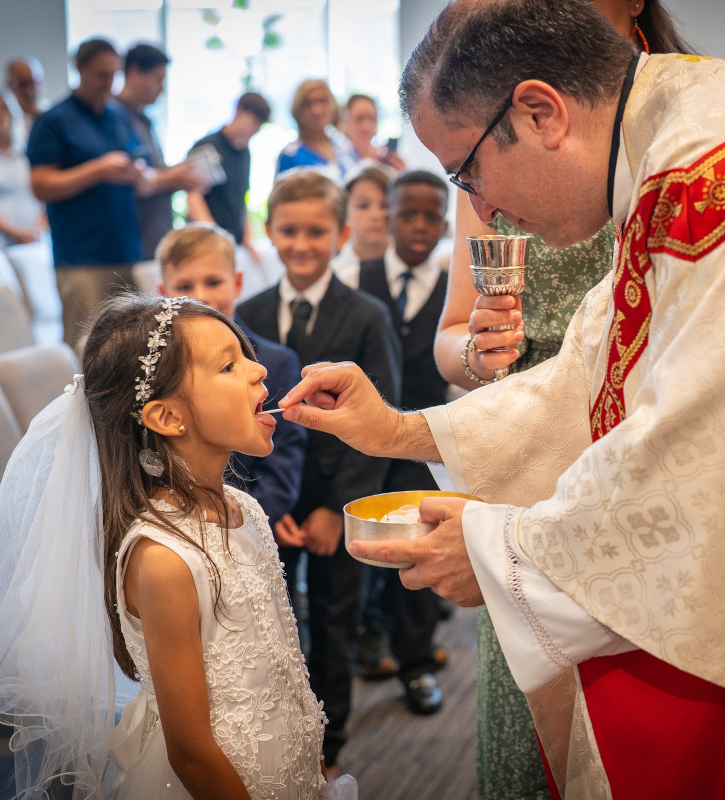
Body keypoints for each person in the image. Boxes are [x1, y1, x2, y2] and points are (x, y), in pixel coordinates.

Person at [272, 1, 725, 797]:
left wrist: (499, 550)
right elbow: (593, 364)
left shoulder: (715, 169)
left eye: (468, 172)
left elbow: (706, 449)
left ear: (540, 111)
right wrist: (402, 428)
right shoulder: (669, 136)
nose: (479, 211)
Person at [434, 2, 693, 797]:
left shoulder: (678, 119)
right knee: (530, 706)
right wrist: (478, 352)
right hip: (524, 445)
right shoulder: (493, 137)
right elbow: (448, 341)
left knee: (645, 704)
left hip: (648, 429)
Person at [0, 292, 359, 799]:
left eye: (246, 356)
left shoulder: (244, 508)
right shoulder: (164, 559)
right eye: (229, 366)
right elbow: (190, 750)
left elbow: (280, 660)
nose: (258, 371)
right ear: (166, 418)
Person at [236, 170, 401, 777]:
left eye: (316, 231)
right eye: (288, 230)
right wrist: (264, 503)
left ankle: (328, 743)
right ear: (268, 232)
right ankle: (276, 730)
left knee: (334, 617)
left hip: (334, 497)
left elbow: (381, 416)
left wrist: (339, 505)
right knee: (272, 617)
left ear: (341, 235)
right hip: (266, 497)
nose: (301, 243)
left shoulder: (365, 314)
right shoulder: (246, 313)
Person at [336, 169, 451, 715]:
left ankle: (418, 664)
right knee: (355, 549)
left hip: (423, 441)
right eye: (408, 214)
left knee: (417, 546)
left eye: (432, 216)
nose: (420, 226)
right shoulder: (355, 277)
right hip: (360, 442)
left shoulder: (456, 281)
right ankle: (365, 642)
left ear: (446, 222)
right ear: (388, 216)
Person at [156, 222, 306, 533]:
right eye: (184, 286)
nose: (199, 297)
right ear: (162, 293)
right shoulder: (155, 369)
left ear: (237, 283)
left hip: (253, 525)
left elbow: (283, 463)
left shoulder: (276, 363)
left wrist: (243, 521)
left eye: (213, 282)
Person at [26, 37, 153, 353]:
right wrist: (96, 170)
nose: (109, 84)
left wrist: (136, 172)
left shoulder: (119, 116)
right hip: (81, 257)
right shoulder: (54, 121)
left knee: (131, 346)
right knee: (86, 349)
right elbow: (41, 184)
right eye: (101, 75)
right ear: (80, 69)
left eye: (114, 75)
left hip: (126, 249)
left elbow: (138, 165)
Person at [116, 43, 210, 261]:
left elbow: (153, 171)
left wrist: (179, 174)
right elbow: (132, 178)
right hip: (131, 245)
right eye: (158, 79)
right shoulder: (116, 118)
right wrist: (173, 177)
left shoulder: (144, 120)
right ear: (134, 73)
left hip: (152, 240)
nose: (162, 88)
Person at [186, 91, 271, 261]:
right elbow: (194, 198)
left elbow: (242, 199)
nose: (254, 130)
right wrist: (215, 236)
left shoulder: (245, 152)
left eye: (259, 126)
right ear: (239, 111)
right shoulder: (207, 146)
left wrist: (248, 239)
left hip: (233, 245)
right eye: (253, 122)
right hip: (206, 245)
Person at [275, 80, 357, 182]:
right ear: (298, 110)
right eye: (308, 104)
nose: (317, 110)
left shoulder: (344, 146)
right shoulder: (290, 155)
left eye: (322, 101)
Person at [0, 89, 45, 249]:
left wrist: (38, 229)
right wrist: (17, 233)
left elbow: (42, 192)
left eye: (3, 108)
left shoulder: (26, 151)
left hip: (35, 239)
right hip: (2, 245)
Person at [330, 163, 391, 277]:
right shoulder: (333, 274)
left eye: (385, 205)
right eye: (363, 205)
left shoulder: (410, 269)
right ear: (345, 210)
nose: (375, 215)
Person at [341, 94, 405, 172]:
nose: (366, 127)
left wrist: (401, 173)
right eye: (359, 119)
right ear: (345, 122)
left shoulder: (382, 158)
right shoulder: (336, 154)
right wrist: (369, 163)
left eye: (372, 119)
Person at [4, 56, 48, 143]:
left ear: (43, 81)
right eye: (22, 84)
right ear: (9, 85)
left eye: (33, 83)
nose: (28, 91)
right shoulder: (3, 121)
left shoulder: (57, 114)